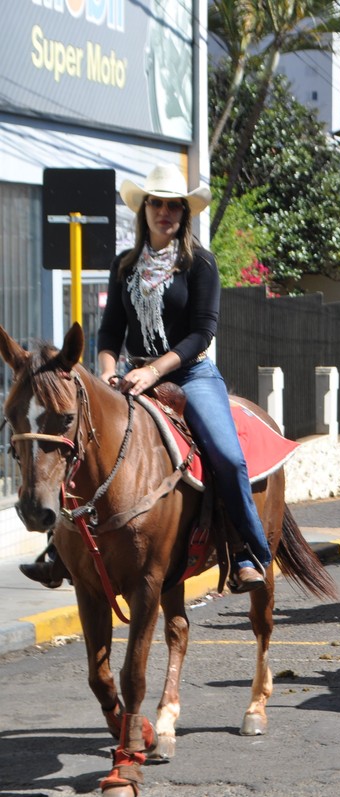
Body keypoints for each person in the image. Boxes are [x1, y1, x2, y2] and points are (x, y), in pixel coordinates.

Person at [21, 164, 269, 593]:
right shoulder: (125, 264)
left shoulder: (200, 263)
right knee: (75, 441)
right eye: (157, 203)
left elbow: (201, 333)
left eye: (174, 206)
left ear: (184, 213)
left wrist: (154, 370)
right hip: (131, 374)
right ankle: (59, 549)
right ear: (145, 210)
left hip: (190, 375)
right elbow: (110, 332)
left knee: (227, 457)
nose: (164, 212)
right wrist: (107, 372)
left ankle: (247, 550)